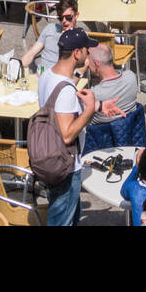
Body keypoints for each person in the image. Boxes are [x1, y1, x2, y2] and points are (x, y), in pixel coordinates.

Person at [36, 27, 99, 226]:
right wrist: (89, 111)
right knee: (61, 221)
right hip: (67, 166)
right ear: (77, 53)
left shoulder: (47, 76)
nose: (89, 54)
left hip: (51, 158)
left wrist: (99, 106)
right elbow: (67, 135)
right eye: (87, 50)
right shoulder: (66, 91)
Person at [21, 0, 88, 71]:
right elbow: (31, 53)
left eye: (68, 17)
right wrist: (17, 65)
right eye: (61, 18)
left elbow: (84, 64)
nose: (64, 21)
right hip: (41, 76)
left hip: (61, 80)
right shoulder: (50, 28)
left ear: (76, 15)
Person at [88, 43, 140, 123]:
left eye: (88, 60)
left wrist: (79, 72)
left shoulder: (94, 94)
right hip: (129, 128)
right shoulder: (131, 77)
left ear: (96, 64)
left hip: (101, 133)